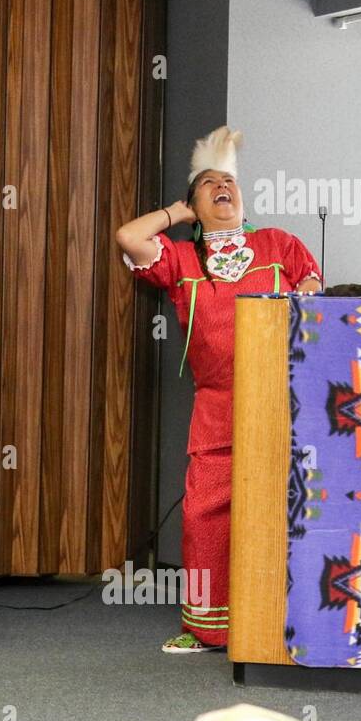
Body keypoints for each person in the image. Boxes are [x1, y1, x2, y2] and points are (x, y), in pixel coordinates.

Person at [115, 126, 321, 653]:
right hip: (217, 405)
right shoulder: (181, 258)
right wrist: (176, 214)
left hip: (283, 402)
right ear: (193, 201)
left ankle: (282, 620)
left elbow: (315, 304)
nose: (222, 187)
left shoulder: (279, 244)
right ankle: (207, 626)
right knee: (204, 514)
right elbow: (129, 238)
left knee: (282, 508)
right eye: (208, 183)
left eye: (229, 180)